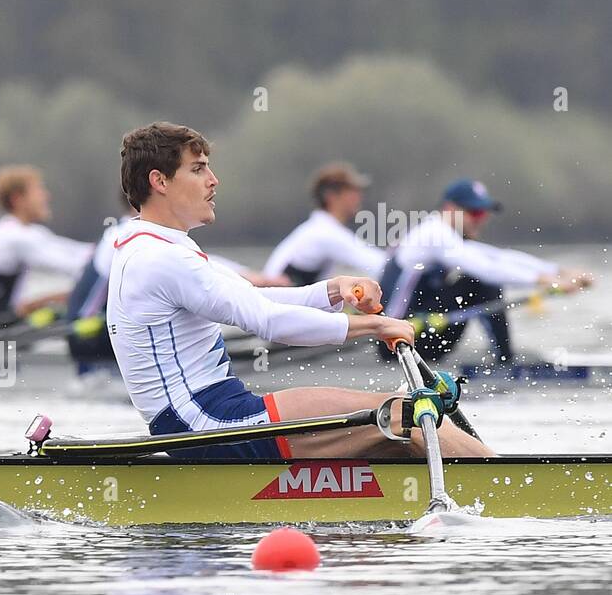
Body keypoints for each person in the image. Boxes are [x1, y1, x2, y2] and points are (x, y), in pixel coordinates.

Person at [106, 122, 491, 460]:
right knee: (400, 416)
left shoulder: (156, 245)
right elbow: (269, 322)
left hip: (212, 413)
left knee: (389, 434)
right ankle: (506, 484)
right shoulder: (159, 258)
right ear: (160, 181)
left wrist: (334, 291)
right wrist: (374, 327)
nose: (213, 180)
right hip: (205, 423)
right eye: (198, 169)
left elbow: (258, 299)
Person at [65, 192, 286, 373]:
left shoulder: (133, 233)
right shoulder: (126, 236)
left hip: (105, 333)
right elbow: (192, 268)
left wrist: (252, 278)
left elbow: (196, 263)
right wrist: (258, 279)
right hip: (87, 338)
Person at [379, 178, 593, 363]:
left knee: (479, 280)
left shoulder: (441, 233)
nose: (481, 219)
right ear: (450, 209)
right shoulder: (435, 235)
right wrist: (548, 281)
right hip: (398, 343)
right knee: (481, 283)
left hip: (410, 336)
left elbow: (498, 257)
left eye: (483, 213)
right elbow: (487, 269)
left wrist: (559, 271)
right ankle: (506, 362)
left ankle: (504, 358)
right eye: (475, 212)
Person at [0, 165, 93, 332]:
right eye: (39, 190)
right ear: (17, 199)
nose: (47, 196)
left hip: (2, 325)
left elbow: (79, 252)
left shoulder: (21, 231)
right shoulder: (14, 237)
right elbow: (77, 265)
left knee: (63, 298)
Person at [263, 162, 386, 284]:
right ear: (331, 196)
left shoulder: (318, 228)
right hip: (278, 300)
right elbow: (379, 266)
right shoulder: (324, 233)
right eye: (351, 190)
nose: (359, 197)